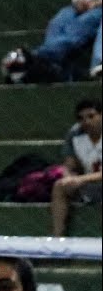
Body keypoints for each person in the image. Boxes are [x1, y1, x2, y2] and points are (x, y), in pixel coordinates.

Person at [2, 0, 101, 82]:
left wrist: (98, 1)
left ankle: (35, 58)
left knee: (83, 23)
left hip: (99, 5)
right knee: (58, 21)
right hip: (83, 5)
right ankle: (48, 65)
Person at [50, 98, 102, 236]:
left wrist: (82, 179)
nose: (86, 122)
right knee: (59, 186)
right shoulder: (75, 134)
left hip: (92, 180)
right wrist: (69, 176)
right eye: (81, 118)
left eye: (91, 116)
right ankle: (57, 239)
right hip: (89, 184)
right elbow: (69, 163)